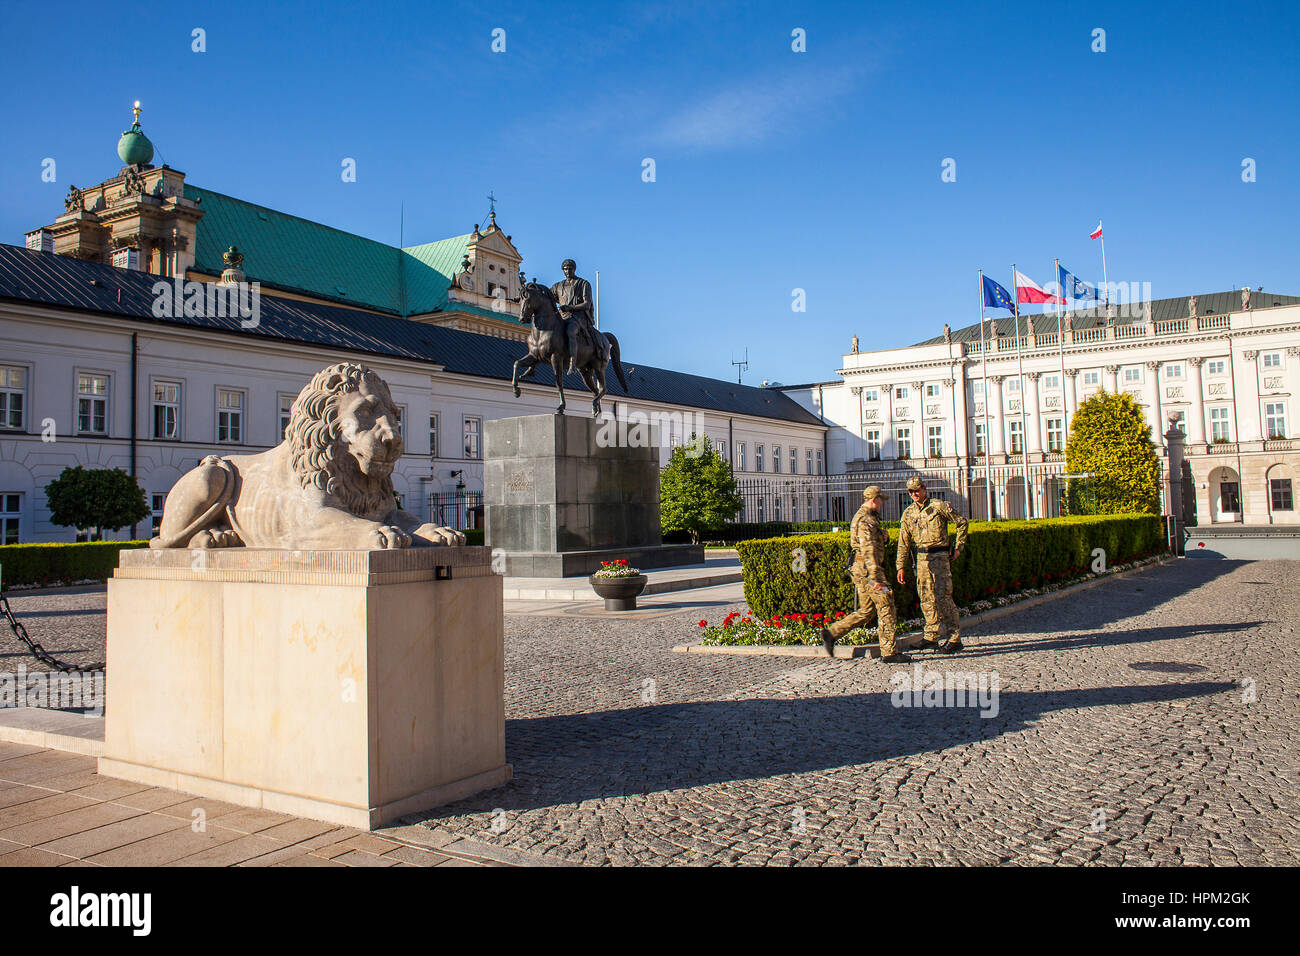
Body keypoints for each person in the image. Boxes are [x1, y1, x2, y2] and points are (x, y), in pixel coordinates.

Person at [820, 486, 911, 663]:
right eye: (880, 500)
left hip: (862, 569)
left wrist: (882, 535)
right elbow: (868, 549)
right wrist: (876, 577)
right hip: (869, 570)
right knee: (887, 606)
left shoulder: (868, 518)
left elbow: (871, 542)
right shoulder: (865, 519)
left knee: (867, 610)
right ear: (874, 499)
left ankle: (832, 633)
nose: (881, 503)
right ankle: (889, 652)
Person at [896, 476, 968, 653]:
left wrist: (958, 548)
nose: (914, 494)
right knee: (926, 598)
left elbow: (961, 523)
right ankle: (931, 636)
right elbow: (903, 542)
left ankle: (954, 637)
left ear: (924, 488)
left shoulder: (938, 506)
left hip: (940, 557)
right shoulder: (908, 513)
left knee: (943, 597)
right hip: (921, 559)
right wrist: (900, 566)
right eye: (911, 491)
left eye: (917, 490)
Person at [550, 259, 602, 374]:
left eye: (570, 268)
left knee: (570, 331)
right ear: (562, 270)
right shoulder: (557, 286)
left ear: (574, 269)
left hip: (578, 318)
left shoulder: (583, 284)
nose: (568, 271)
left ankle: (572, 364)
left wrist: (570, 307)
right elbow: (547, 297)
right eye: (565, 269)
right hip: (562, 317)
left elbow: (587, 304)